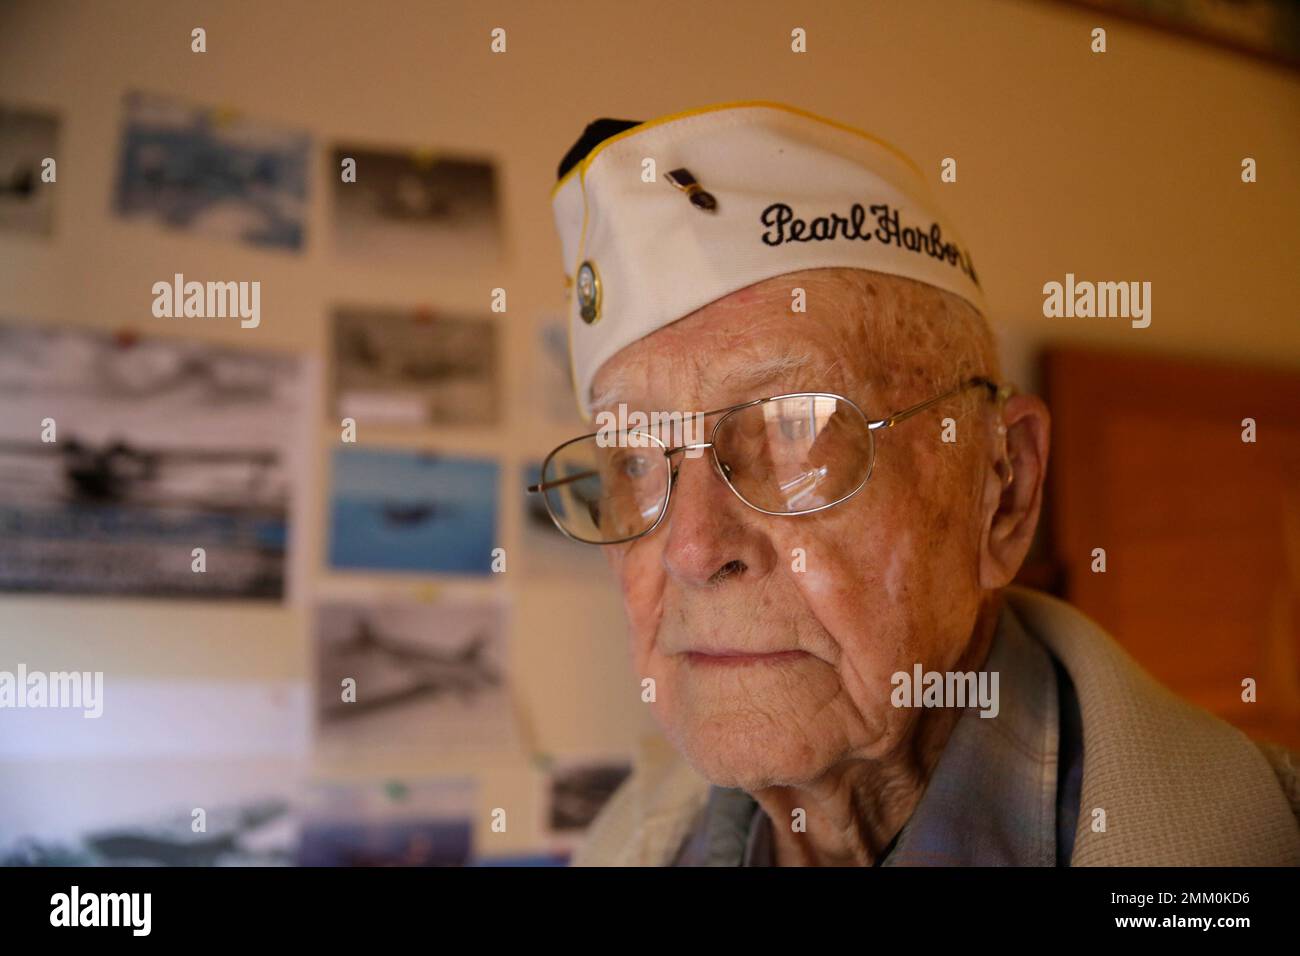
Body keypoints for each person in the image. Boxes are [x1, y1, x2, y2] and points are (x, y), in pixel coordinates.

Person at [530, 101, 1300, 866]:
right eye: (633, 453)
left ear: (1003, 489)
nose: (693, 549)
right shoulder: (624, 849)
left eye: (792, 428)